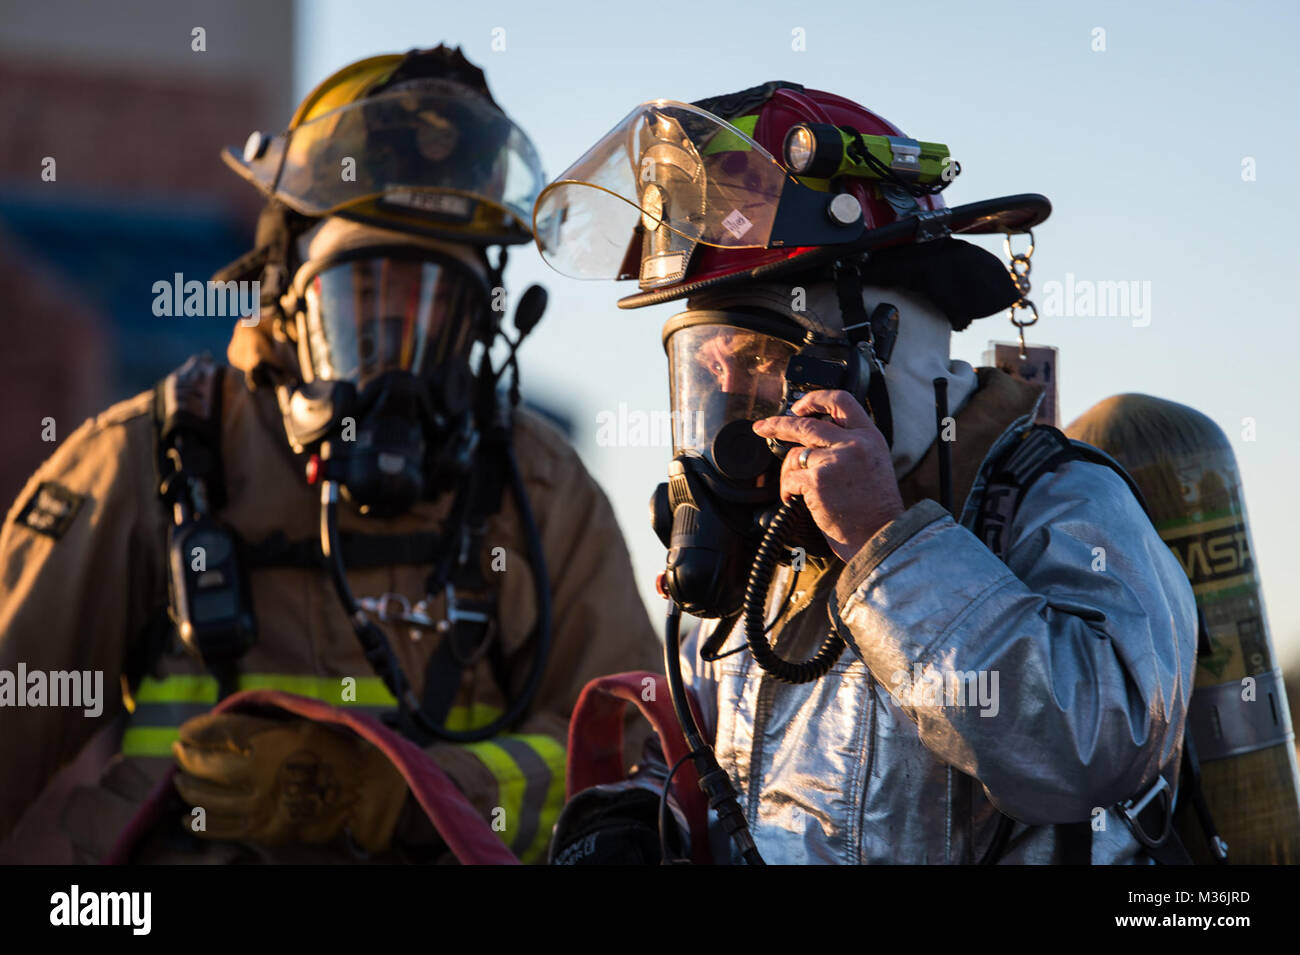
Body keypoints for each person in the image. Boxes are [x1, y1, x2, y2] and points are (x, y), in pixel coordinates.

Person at [0, 45, 659, 864]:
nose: (393, 349)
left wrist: (401, 793)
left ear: (482, 326)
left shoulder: (542, 492)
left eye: (431, 304)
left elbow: (633, 772)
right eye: (364, 297)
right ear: (285, 293)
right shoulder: (152, 460)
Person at [537, 83, 1198, 864]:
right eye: (705, 379)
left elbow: (1095, 752)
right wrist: (640, 815)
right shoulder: (766, 552)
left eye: (755, 366)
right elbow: (708, 765)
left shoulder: (1058, 504)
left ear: (871, 352)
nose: (731, 423)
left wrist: (886, 544)